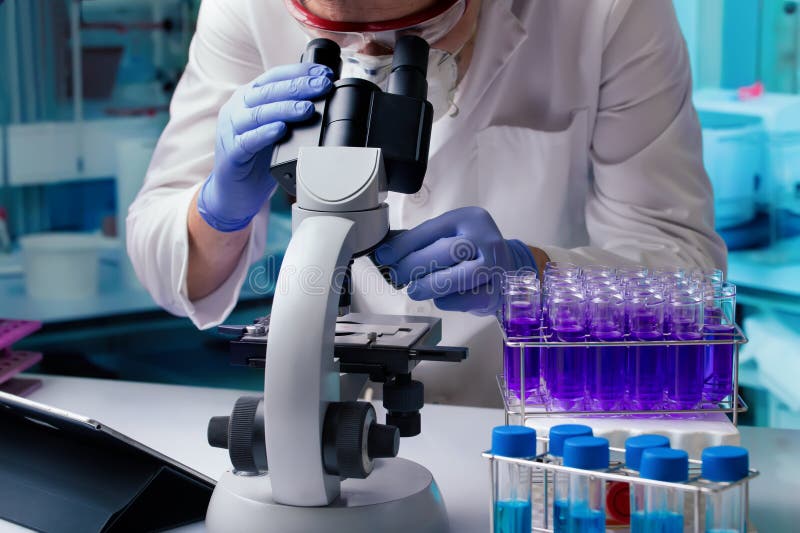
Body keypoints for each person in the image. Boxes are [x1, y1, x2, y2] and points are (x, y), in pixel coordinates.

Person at [128, 0, 725, 407]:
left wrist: (534, 280)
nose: (368, 55)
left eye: (416, 32)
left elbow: (693, 283)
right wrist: (219, 212)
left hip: (545, 421)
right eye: (333, 34)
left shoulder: (607, 12)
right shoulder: (243, 8)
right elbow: (166, 266)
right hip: (351, 415)